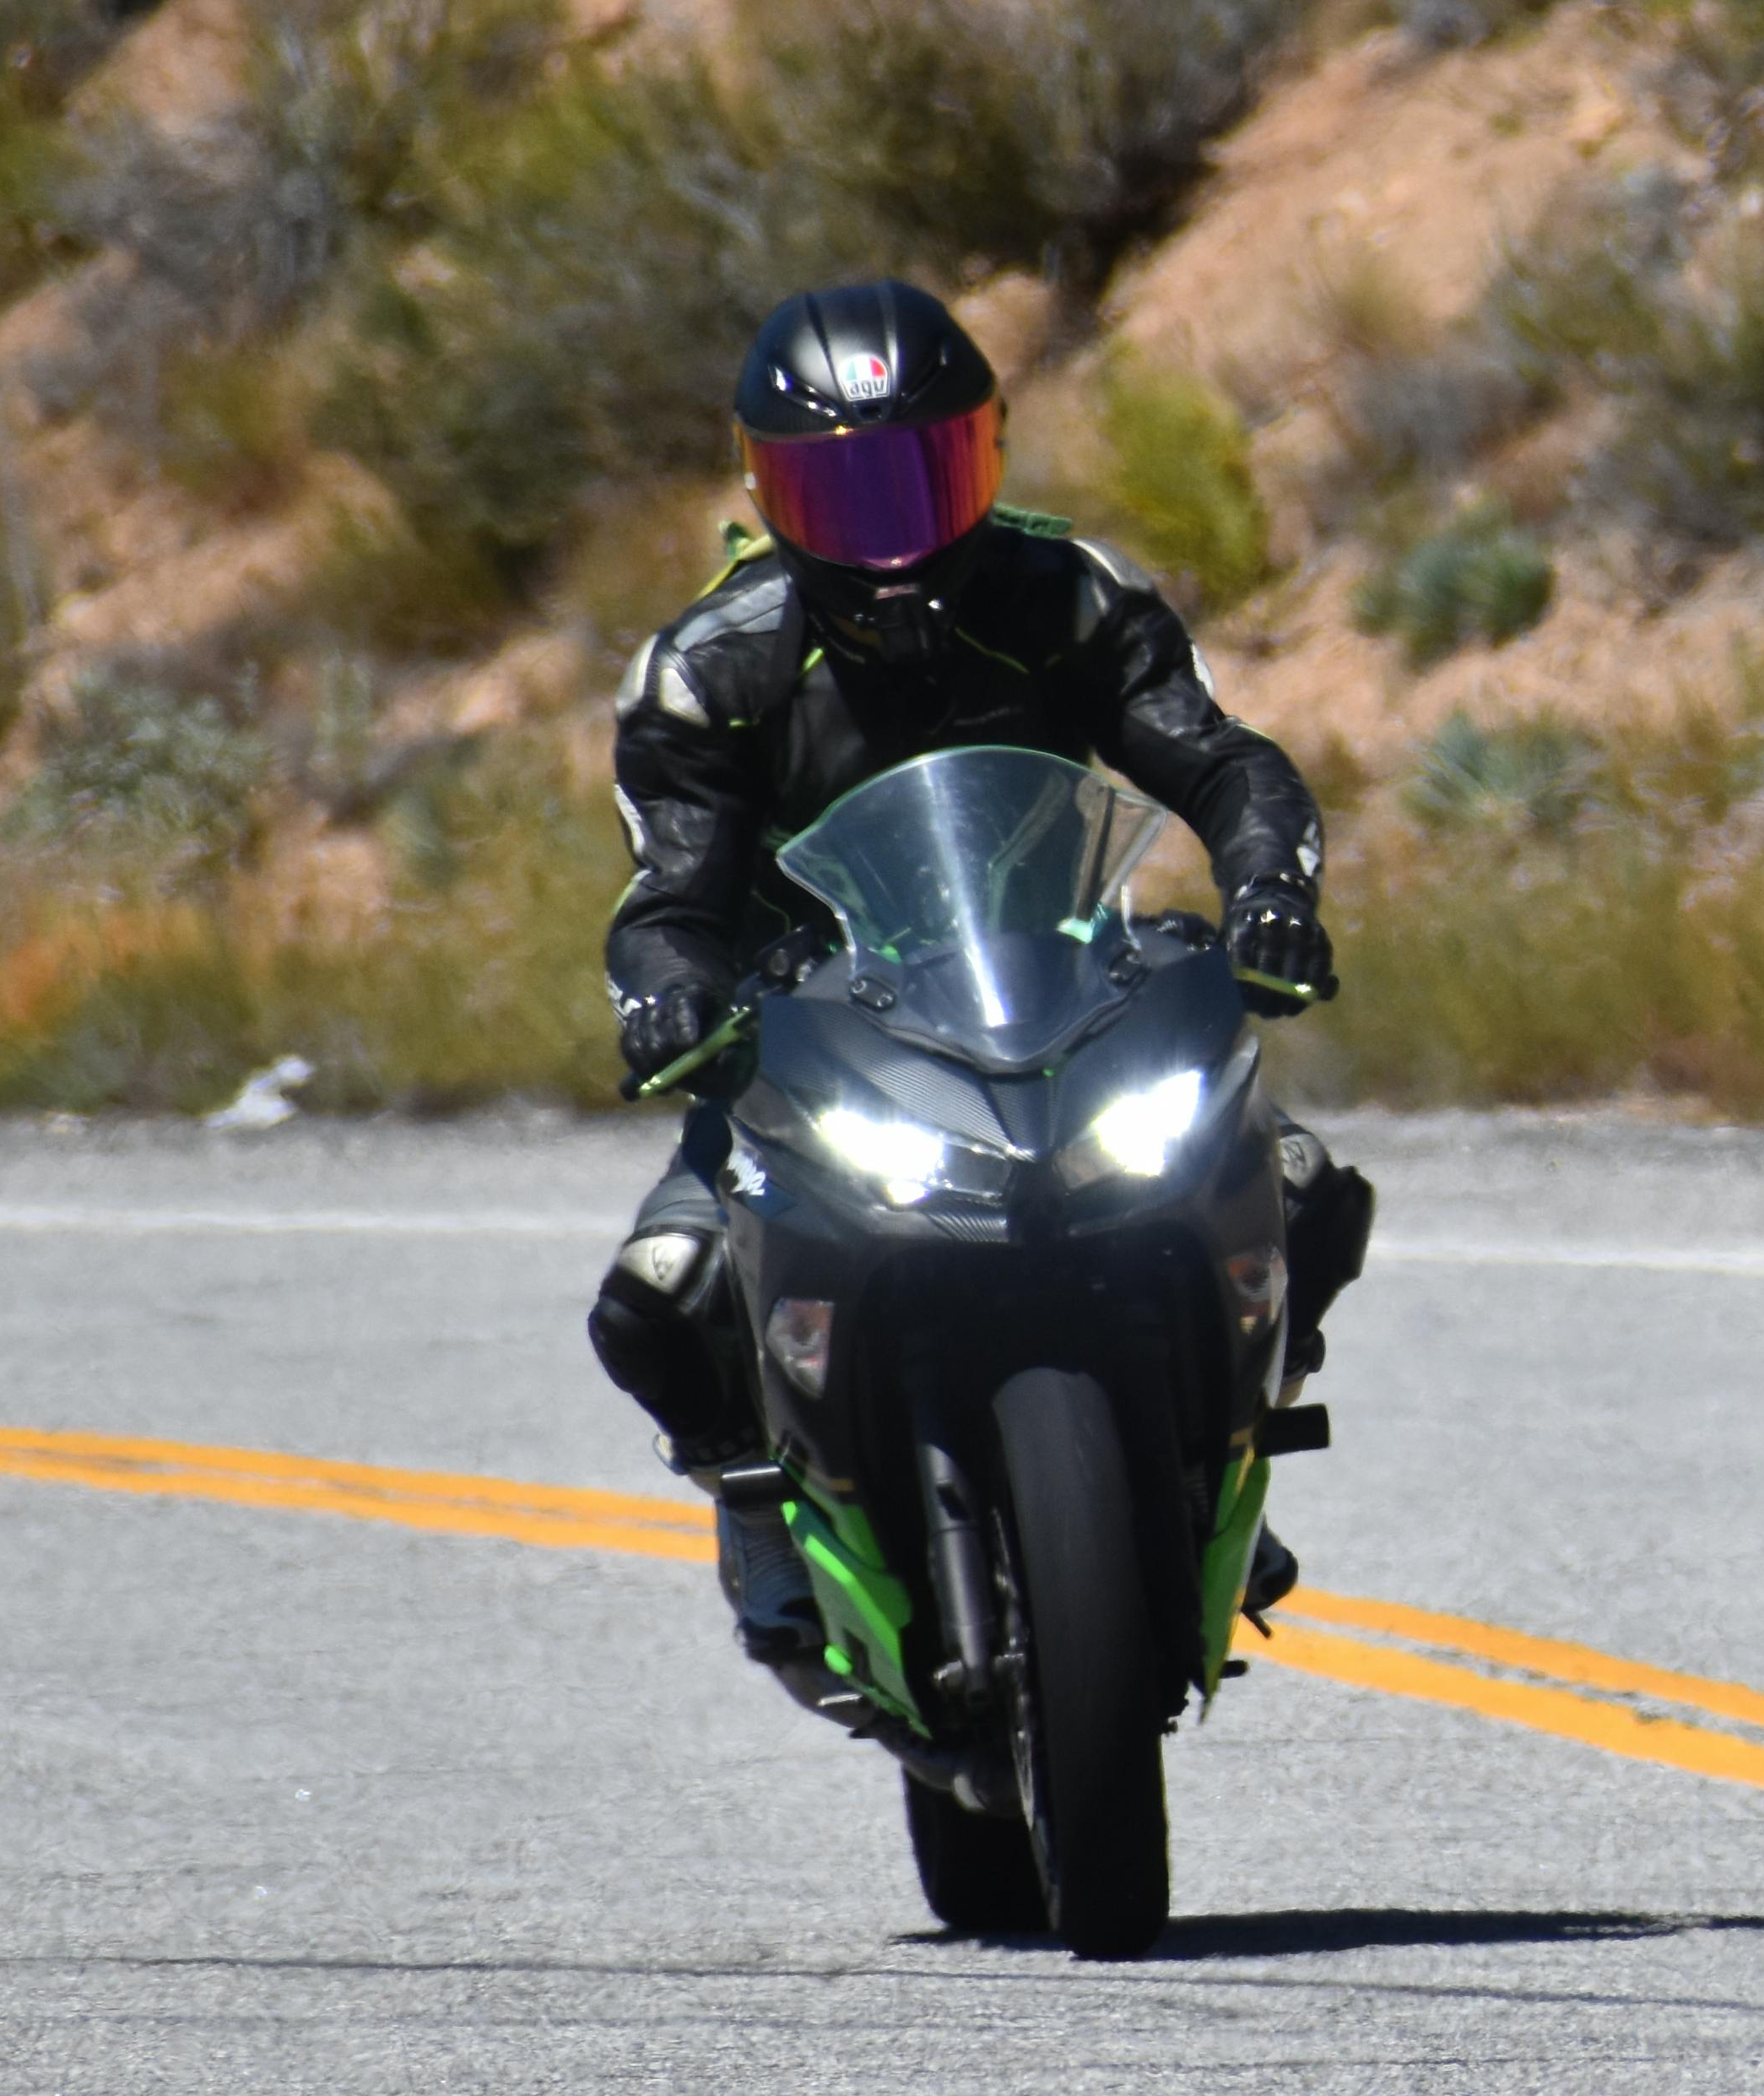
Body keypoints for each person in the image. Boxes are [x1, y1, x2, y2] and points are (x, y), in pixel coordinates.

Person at [582, 280, 1370, 1666]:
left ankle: (1228, 1439)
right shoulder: (711, 671)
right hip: (806, 1041)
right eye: (841, 496)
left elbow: (1224, 762)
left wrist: (1268, 893)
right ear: (766, 491)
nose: (885, 539)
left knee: (1303, 1188)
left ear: (988, 456)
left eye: (921, 479)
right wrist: (671, 998)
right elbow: (670, 895)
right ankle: (757, 1505)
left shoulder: (1071, 598)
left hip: (1066, 1000)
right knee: (659, 1295)